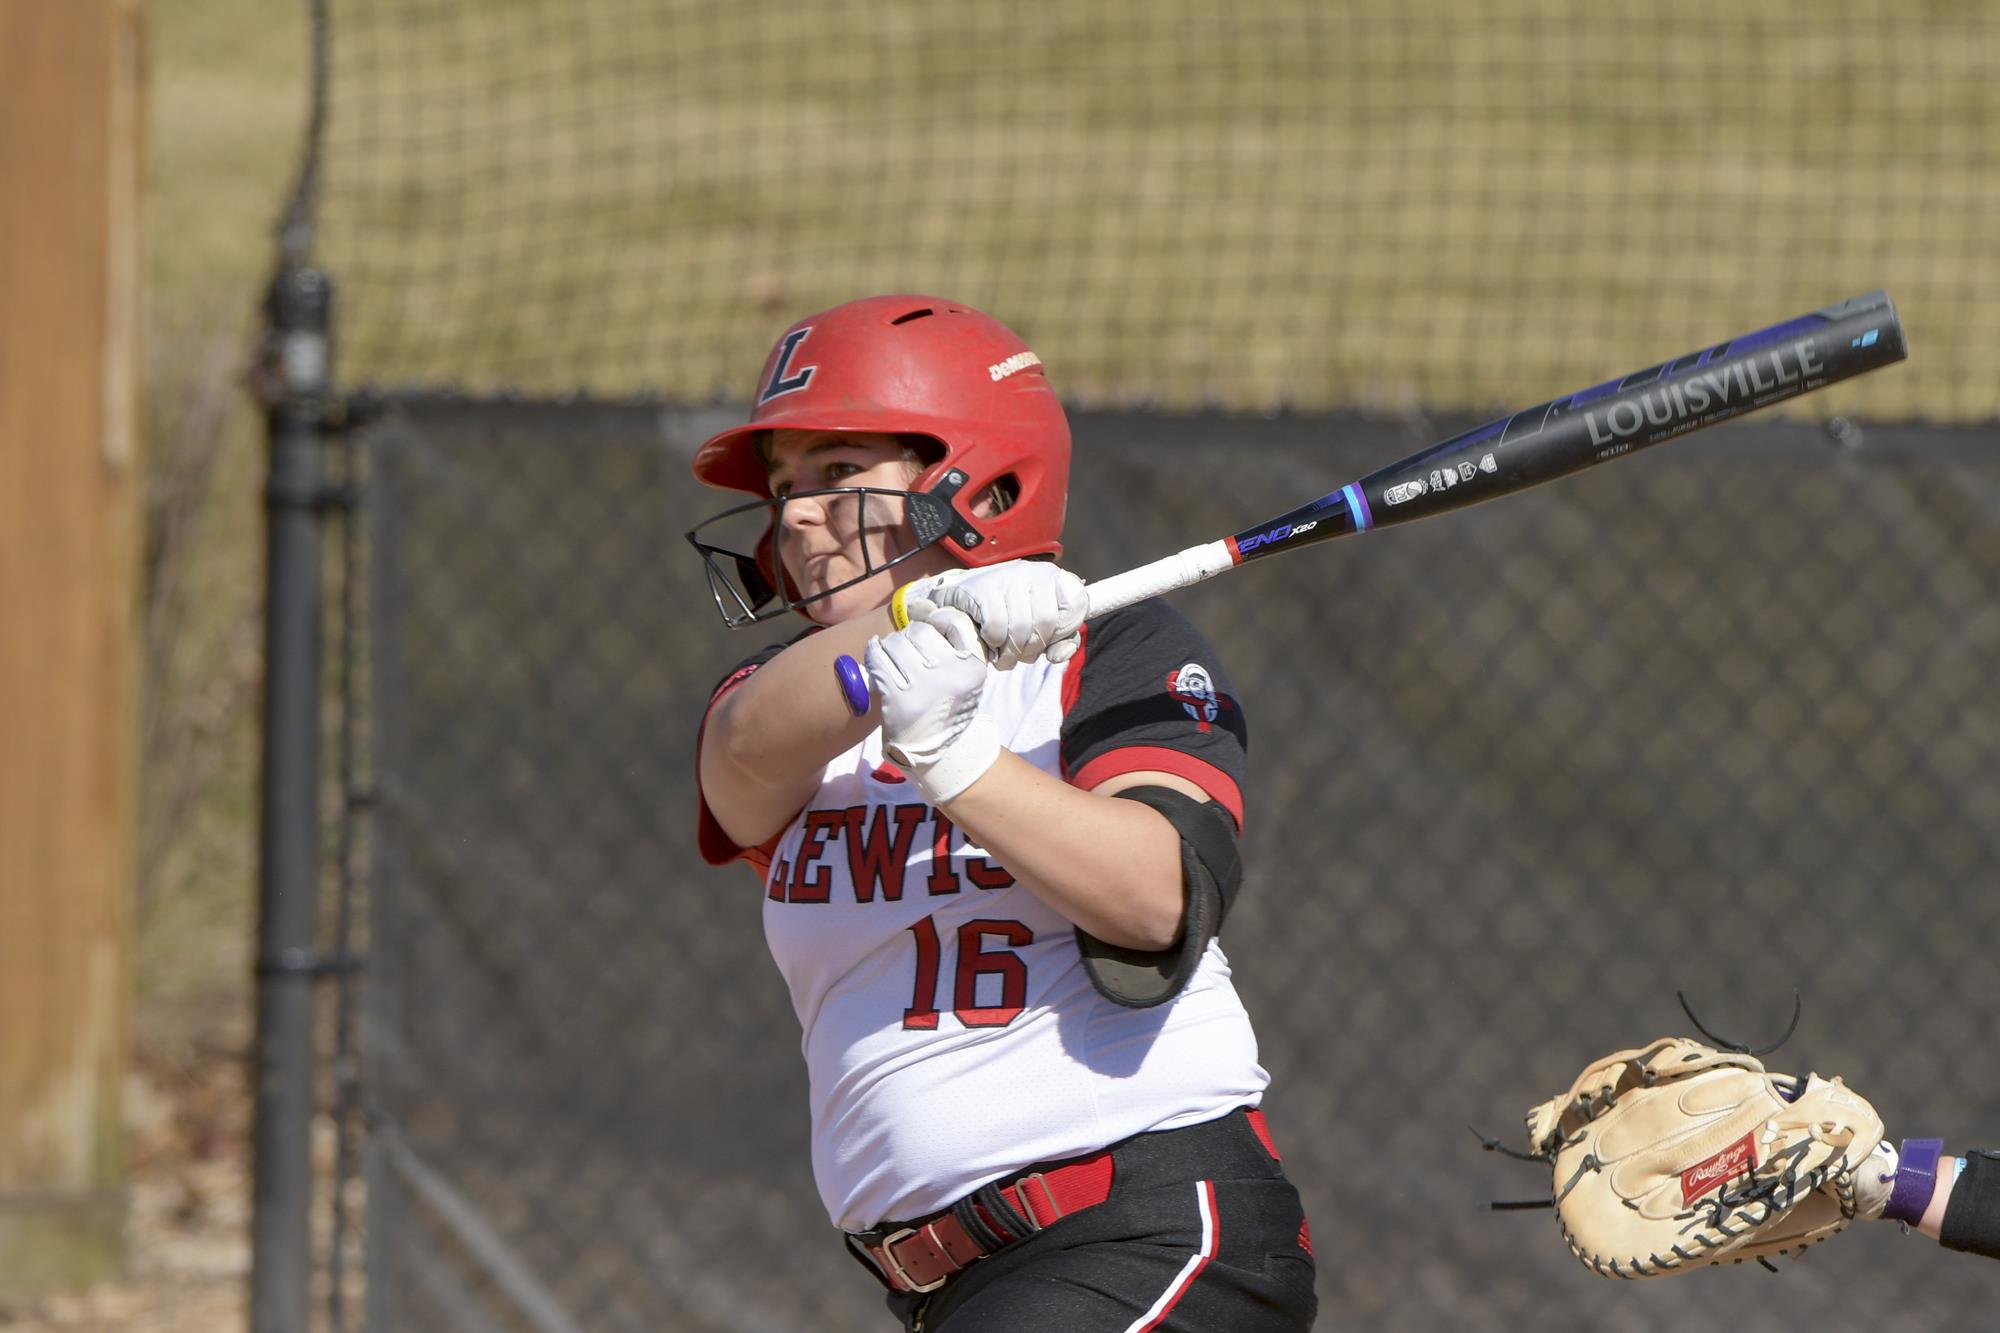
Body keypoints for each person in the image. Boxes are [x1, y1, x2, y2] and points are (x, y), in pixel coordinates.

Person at [686, 294, 1317, 1331]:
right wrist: (912, 618)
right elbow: (741, 755)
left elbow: (1155, 894)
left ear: (977, 476)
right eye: (786, 485)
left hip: (1143, 1229)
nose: (795, 514)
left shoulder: (1109, 653)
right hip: (959, 1289)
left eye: (839, 473)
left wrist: (958, 759)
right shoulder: (798, 701)